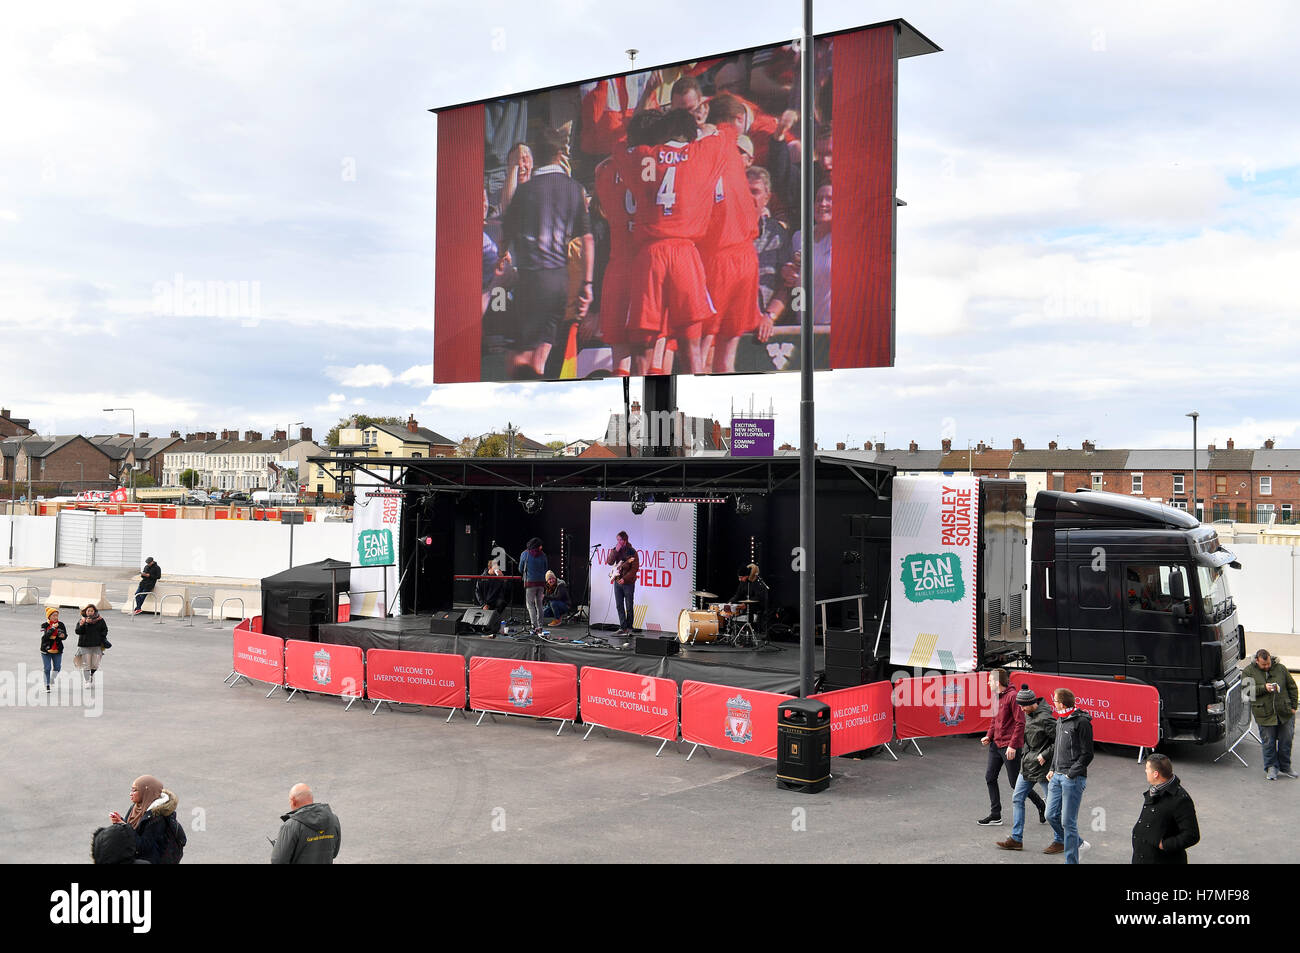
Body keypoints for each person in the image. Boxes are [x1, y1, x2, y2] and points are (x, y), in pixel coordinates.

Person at [501, 127, 593, 379]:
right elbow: (507, 211)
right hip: (548, 282)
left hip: (538, 282)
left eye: (526, 157)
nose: (523, 163)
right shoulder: (527, 191)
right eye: (517, 159)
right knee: (533, 355)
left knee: (525, 357)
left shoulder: (551, 189)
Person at [978, 669, 1046, 826]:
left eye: (990, 680)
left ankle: (1040, 805)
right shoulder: (996, 696)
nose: (988, 683)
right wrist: (989, 735)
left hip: (1010, 747)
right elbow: (994, 720)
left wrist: (1013, 746)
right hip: (996, 745)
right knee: (990, 777)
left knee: (1016, 783)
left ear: (997, 682)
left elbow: (1020, 723)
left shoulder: (1013, 697)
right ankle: (995, 814)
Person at [997, 687, 1054, 851]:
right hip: (1028, 765)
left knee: (1053, 808)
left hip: (1043, 768)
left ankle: (1061, 839)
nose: (1020, 709)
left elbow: (1059, 741)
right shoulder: (1027, 714)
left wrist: (1044, 754)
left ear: (1031, 703)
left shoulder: (1046, 718)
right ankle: (1016, 839)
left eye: (1023, 706)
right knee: (1017, 798)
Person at [1045, 687, 1094, 863]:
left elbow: (1087, 754)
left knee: (1068, 822)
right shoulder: (1060, 720)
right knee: (1050, 815)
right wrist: (1051, 768)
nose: (1054, 704)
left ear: (1063, 703)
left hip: (1072, 779)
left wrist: (1071, 774)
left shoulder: (1081, 722)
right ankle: (1079, 843)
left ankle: (1071, 861)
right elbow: (1058, 748)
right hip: (1056, 776)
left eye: (1055, 701)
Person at [1131, 753, 1200, 864]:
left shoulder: (1180, 800)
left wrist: (1164, 845)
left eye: (1147, 769)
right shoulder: (1155, 789)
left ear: (1156, 774)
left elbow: (1192, 835)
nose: (1145, 771)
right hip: (1143, 858)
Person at [1242, 648, 1298, 780]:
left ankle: (1285, 767)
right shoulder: (1248, 671)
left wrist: (1294, 706)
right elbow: (1246, 691)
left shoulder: (1281, 668)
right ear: (1257, 660)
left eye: (1268, 664)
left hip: (1285, 712)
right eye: (1263, 665)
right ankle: (1271, 768)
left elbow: (1292, 687)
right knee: (1268, 742)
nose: (1267, 667)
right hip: (1264, 714)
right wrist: (1264, 688)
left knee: (1286, 740)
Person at [109, 775, 186, 864]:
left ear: (146, 791)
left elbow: (143, 846)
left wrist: (124, 826)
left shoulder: (157, 818)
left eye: (135, 790)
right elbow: (130, 828)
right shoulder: (135, 808)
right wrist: (119, 822)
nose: (130, 793)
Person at [271, 783, 341, 864]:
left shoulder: (290, 826)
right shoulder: (333, 820)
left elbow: (278, 861)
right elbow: (334, 853)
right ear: (311, 799)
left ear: (293, 801)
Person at [605, 530, 639, 636]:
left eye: (620, 540)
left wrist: (625, 579)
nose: (618, 542)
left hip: (628, 583)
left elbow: (634, 569)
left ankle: (629, 628)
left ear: (625, 540)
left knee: (629, 605)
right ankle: (622, 627)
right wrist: (615, 551)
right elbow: (610, 562)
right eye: (617, 540)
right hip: (617, 582)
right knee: (619, 605)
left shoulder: (632, 552)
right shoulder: (616, 550)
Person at [519, 537, 549, 633]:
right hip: (541, 583)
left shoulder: (525, 554)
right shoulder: (543, 555)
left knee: (530, 605)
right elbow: (546, 568)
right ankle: (540, 625)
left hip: (530, 583)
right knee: (539, 605)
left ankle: (534, 626)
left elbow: (520, 568)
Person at [74, 603, 109, 686]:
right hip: (84, 645)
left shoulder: (100, 620)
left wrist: (101, 637)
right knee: (86, 664)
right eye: (88, 611)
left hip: (97, 645)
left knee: (95, 664)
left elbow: (105, 629)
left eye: (91, 611)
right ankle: (87, 681)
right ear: (85, 612)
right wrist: (85, 623)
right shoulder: (81, 620)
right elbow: (78, 631)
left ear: (95, 612)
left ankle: (91, 675)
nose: (90, 612)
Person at [40, 607, 67, 693]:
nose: (56, 617)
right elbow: (44, 638)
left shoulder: (61, 624)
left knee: (57, 667)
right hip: (46, 650)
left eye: (57, 615)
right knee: (47, 668)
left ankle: (52, 679)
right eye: (54, 615)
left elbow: (65, 636)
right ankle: (47, 685)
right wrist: (52, 628)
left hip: (57, 649)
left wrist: (63, 636)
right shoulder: (44, 625)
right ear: (49, 616)